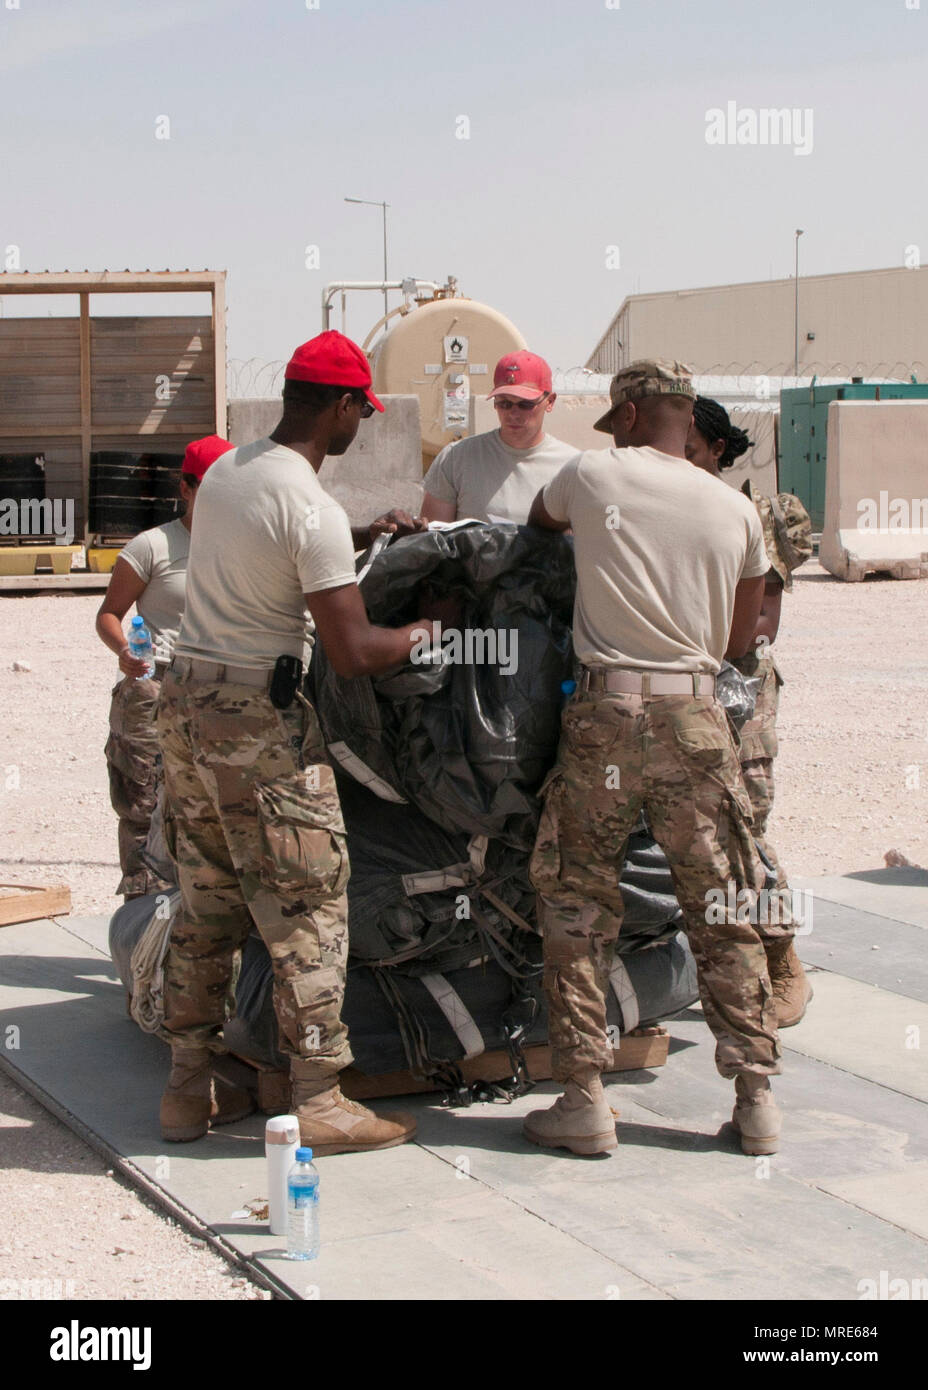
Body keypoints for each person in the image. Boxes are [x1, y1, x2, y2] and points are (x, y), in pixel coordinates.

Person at [156, 330, 431, 1151]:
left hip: (188, 709)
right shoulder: (306, 501)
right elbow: (353, 652)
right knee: (309, 904)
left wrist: (354, 541)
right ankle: (319, 1096)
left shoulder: (232, 473)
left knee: (206, 905)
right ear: (342, 406)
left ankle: (185, 1092)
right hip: (258, 729)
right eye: (361, 411)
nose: (361, 426)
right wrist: (422, 631)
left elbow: (269, 561)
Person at [524, 359, 782, 1158]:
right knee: (723, 904)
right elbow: (740, 642)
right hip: (697, 719)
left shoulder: (591, 472)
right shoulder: (736, 512)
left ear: (630, 415)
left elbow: (537, 525)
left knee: (577, 900)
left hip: (606, 715)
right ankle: (756, 1100)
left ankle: (584, 1101)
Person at [686, 395, 814, 1026]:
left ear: (716, 449)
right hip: (677, 687)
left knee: (745, 822)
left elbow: (761, 622)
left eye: (689, 448)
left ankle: (783, 954)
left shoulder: (748, 515)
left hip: (739, 689)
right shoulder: (664, 509)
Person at [95, 435, 231, 898]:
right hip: (154, 688)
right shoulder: (152, 546)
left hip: (219, 690)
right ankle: (141, 920)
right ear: (186, 489)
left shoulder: (243, 548)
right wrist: (125, 652)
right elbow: (108, 614)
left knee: (212, 808)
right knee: (144, 806)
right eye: (209, 489)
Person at [419, 351, 579, 524]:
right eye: (504, 403)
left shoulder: (572, 467)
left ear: (550, 401)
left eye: (525, 404)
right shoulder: (455, 459)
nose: (513, 414)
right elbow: (433, 540)